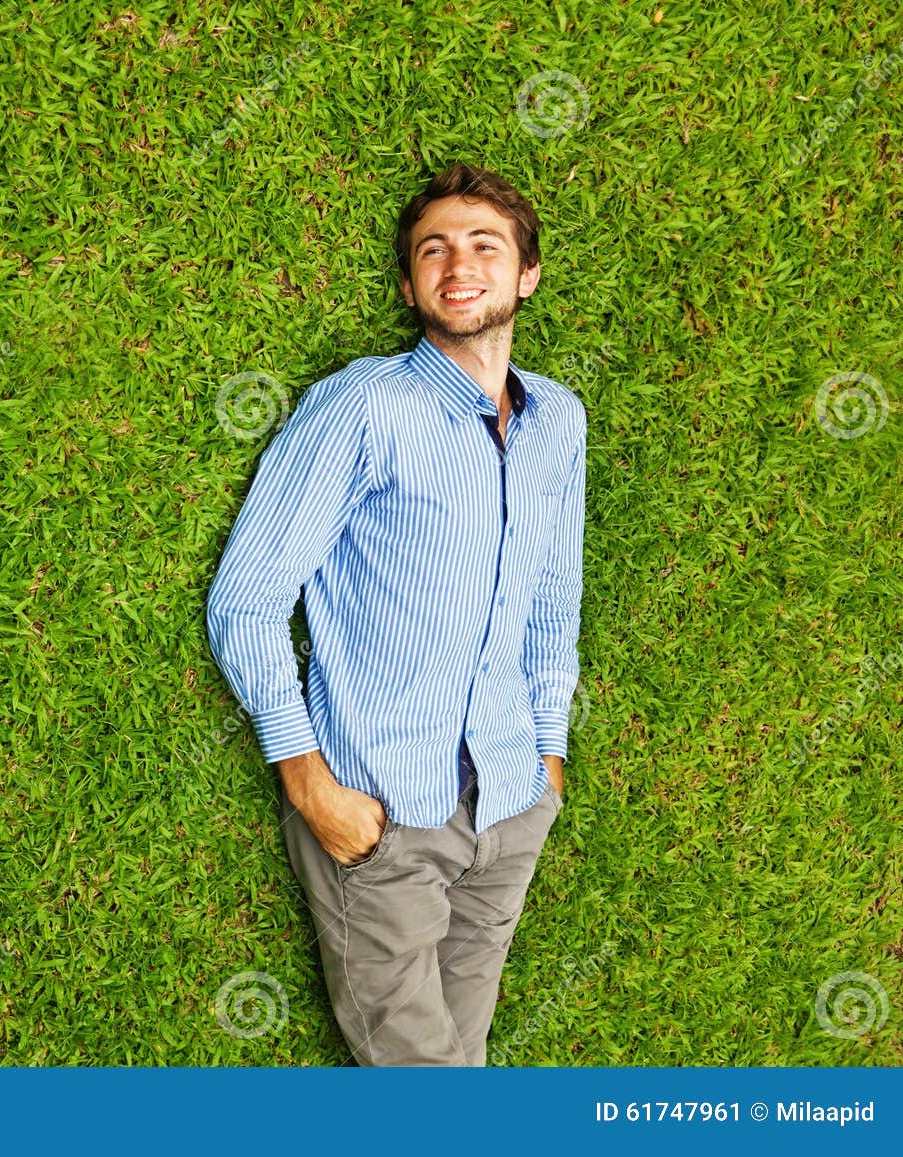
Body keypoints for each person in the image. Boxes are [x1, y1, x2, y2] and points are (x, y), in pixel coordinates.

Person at [205, 162, 587, 1066]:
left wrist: (547, 758)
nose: (459, 266)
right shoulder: (364, 406)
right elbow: (246, 599)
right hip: (384, 810)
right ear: (411, 286)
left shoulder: (559, 421)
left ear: (528, 274)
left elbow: (552, 600)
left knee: (464, 1061)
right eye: (433, 250)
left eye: (485, 245)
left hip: (509, 801)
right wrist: (310, 787)